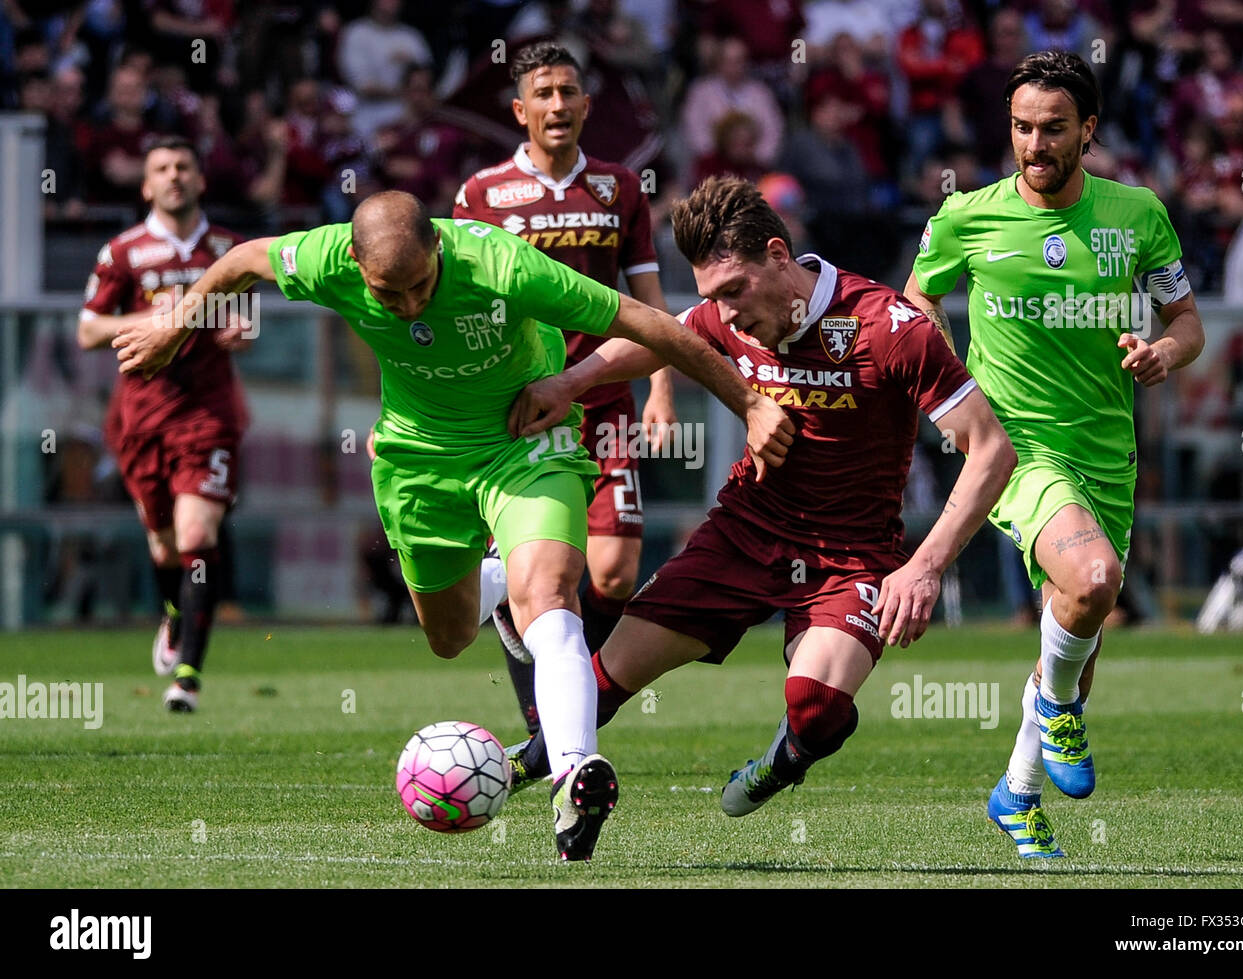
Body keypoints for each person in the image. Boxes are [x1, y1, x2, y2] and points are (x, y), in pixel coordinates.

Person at [112, 189, 793, 861]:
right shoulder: (326, 260)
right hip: (418, 461)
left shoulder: (505, 266)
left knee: (553, 598)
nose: (410, 305)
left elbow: (650, 322)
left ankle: (572, 777)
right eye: (390, 293)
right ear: (353, 263)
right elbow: (244, 260)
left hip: (525, 441)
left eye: (420, 285)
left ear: (440, 247)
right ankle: (492, 587)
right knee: (448, 635)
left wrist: (749, 405)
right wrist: (174, 322)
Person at [501, 175, 1016, 816]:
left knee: (819, 710)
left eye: (735, 291)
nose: (727, 311)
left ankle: (783, 760)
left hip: (850, 555)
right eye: (714, 297)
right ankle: (510, 768)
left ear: (778, 256)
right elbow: (657, 337)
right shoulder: (724, 316)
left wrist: (925, 565)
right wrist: (570, 382)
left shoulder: (888, 327)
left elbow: (991, 450)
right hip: (743, 534)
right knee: (604, 681)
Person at [904, 51, 1205, 857]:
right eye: (1021, 128)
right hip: (1015, 447)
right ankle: (1062, 716)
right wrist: (950, 394)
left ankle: (1018, 790)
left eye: (1053, 129)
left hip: (1107, 451)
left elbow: (1188, 324)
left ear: (1090, 131)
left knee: (1079, 618)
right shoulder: (968, 215)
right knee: (1095, 579)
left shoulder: (1138, 214)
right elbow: (918, 300)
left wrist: (1161, 355)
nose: (1034, 144)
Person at [452, 42, 678, 738]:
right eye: (543, 94)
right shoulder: (483, 195)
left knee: (612, 573)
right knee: (544, 569)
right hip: (518, 406)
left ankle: (576, 684)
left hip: (603, 396)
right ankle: (550, 720)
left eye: (568, 92)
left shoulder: (620, 187)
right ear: (520, 110)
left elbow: (648, 302)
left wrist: (663, 389)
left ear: (586, 104)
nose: (557, 105)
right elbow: (456, 309)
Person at [78, 135, 249, 713]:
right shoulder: (123, 252)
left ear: (200, 178)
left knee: (198, 534)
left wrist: (240, 333)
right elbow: (87, 330)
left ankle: (189, 676)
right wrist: (155, 317)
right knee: (164, 542)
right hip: (141, 417)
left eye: (184, 166)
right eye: (162, 169)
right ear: (146, 184)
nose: (174, 176)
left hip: (208, 415)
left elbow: (246, 321)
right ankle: (173, 613)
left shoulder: (228, 247)